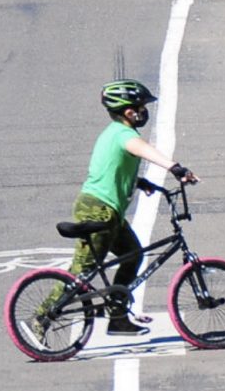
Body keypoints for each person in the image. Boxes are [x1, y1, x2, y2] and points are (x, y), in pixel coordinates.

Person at [71, 80, 198, 333]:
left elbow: (110, 169)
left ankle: (118, 318)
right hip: (98, 210)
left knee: (133, 255)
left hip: (106, 210)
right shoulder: (124, 135)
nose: (144, 112)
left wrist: (139, 182)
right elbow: (143, 150)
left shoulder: (112, 132)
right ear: (129, 111)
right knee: (79, 274)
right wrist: (175, 168)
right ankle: (41, 319)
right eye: (141, 107)